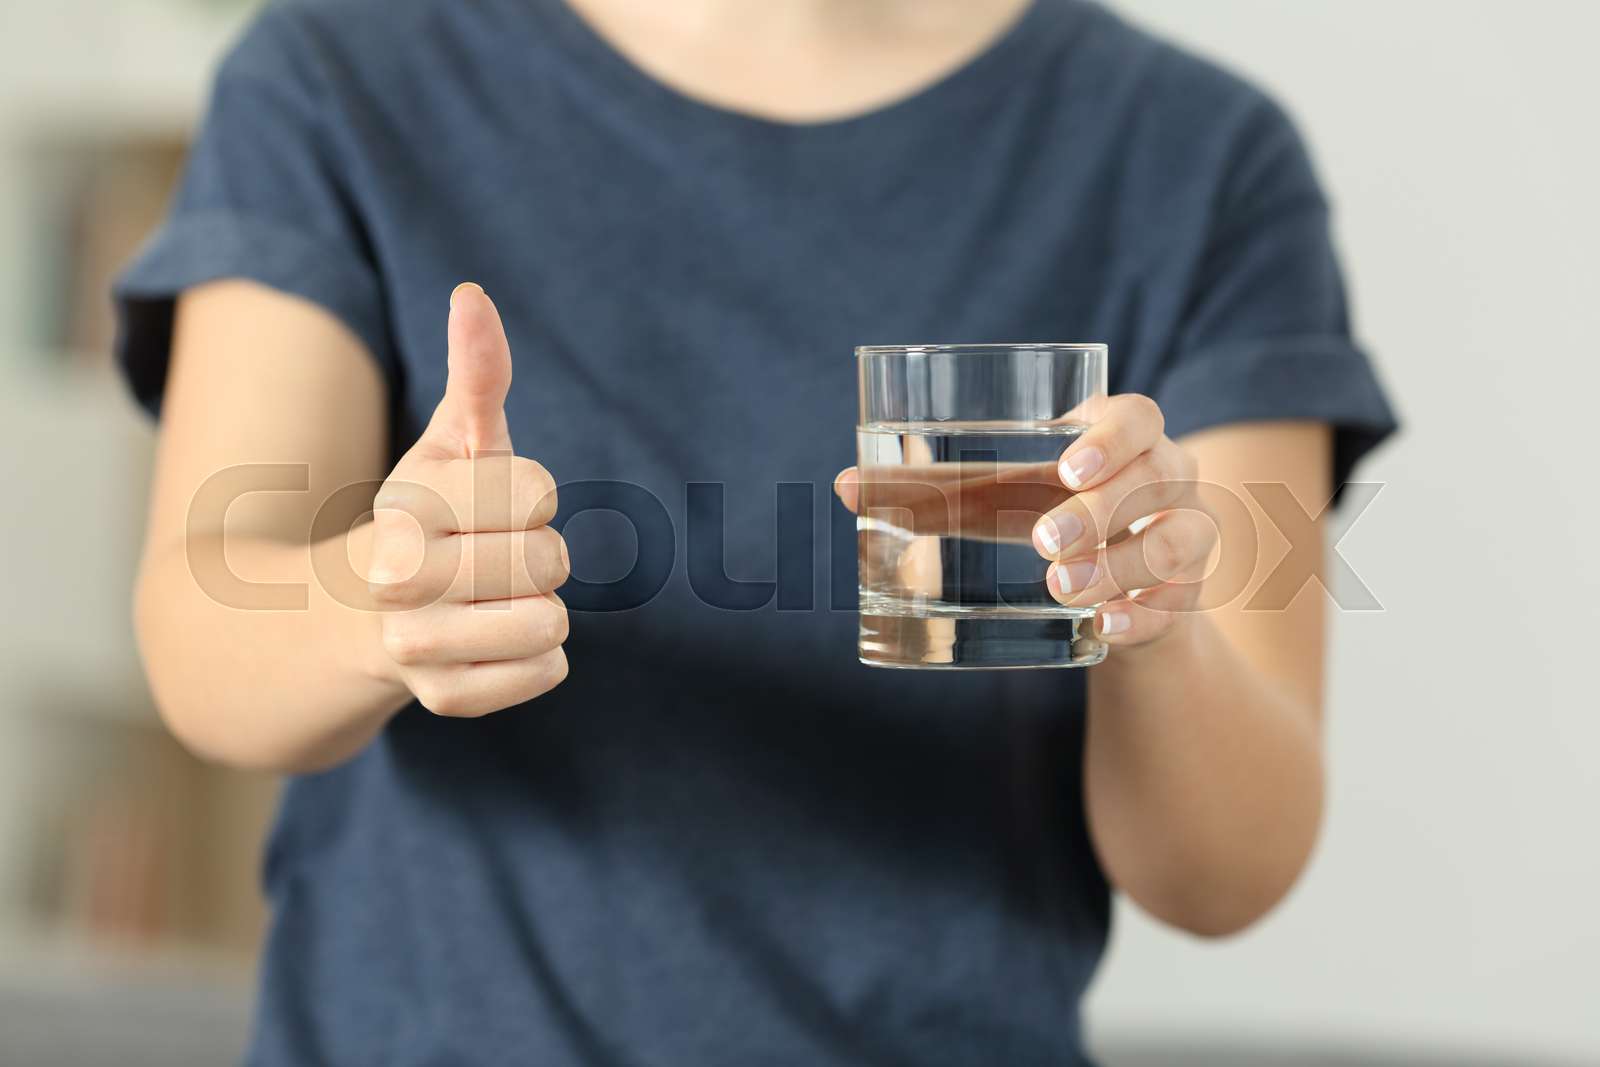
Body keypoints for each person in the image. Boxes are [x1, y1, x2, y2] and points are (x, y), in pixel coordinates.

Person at [114, 0, 1397, 1063]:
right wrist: (382, 597)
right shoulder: (340, 72)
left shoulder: (1196, 154)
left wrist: (1154, 622)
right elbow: (204, 633)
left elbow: (1228, 869)